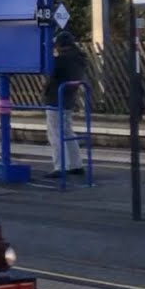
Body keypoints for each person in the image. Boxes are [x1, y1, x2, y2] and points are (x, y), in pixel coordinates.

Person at [43, 31, 86, 178]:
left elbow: (50, 72)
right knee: (67, 132)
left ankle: (60, 166)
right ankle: (76, 164)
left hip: (56, 98)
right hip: (69, 99)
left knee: (55, 134)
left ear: (61, 46)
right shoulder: (79, 58)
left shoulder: (61, 60)